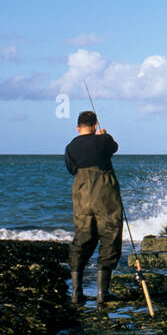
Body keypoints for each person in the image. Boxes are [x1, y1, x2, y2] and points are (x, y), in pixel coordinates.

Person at [64, 111, 123, 307]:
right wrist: (103, 135)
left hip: (81, 194)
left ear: (77, 127)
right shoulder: (103, 139)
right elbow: (114, 147)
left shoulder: (70, 147)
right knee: (110, 235)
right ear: (95, 125)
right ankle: (102, 293)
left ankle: (76, 292)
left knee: (82, 237)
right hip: (104, 193)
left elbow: (71, 168)